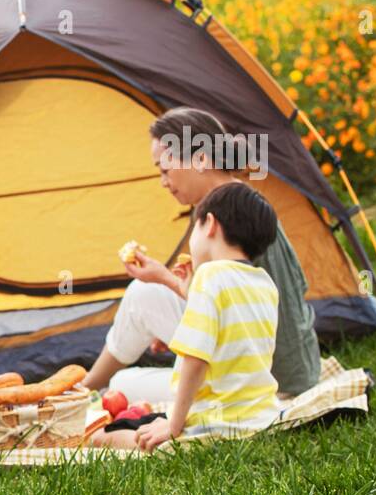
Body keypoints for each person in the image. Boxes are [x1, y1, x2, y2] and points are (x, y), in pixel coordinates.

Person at [83, 107, 320, 403]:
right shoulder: (241, 202)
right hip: (286, 360)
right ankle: (85, 387)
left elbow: (221, 306)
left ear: (201, 160)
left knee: (123, 383)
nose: (163, 181)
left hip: (269, 377)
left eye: (165, 169)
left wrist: (165, 278)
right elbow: (234, 301)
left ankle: (83, 390)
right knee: (144, 294)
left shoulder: (223, 221)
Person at [91, 182, 282, 452]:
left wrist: (173, 423)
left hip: (217, 423)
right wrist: (184, 290)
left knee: (102, 438)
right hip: (259, 418)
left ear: (210, 225)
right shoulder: (264, 283)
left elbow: (196, 360)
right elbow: (231, 338)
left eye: (195, 227)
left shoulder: (209, 275)